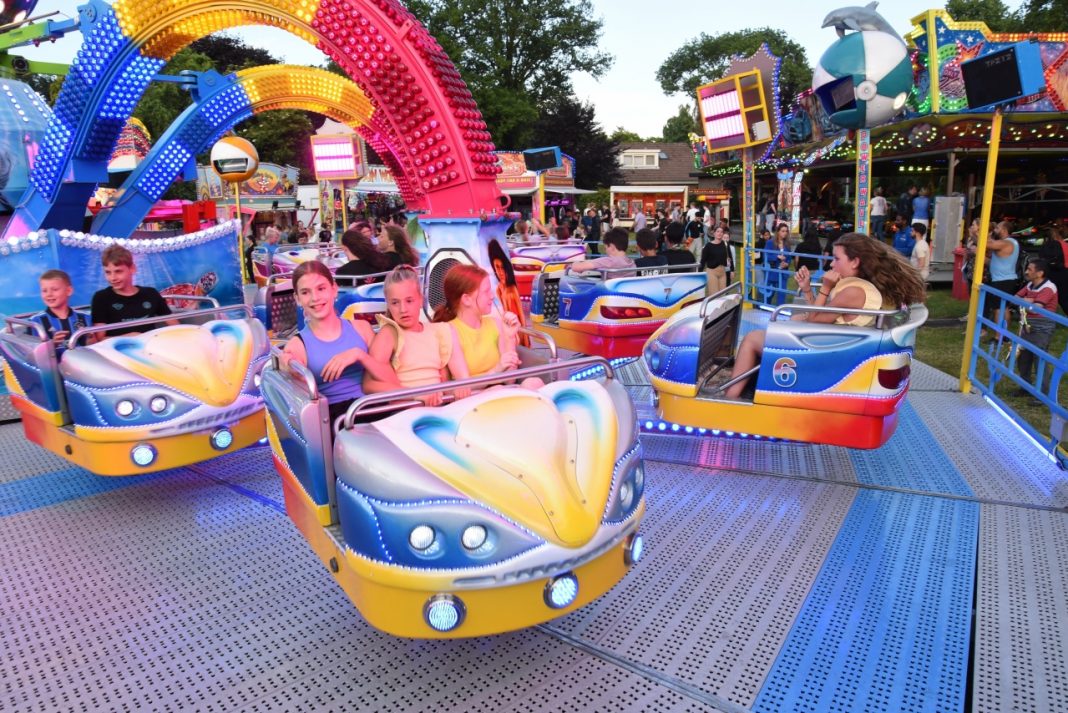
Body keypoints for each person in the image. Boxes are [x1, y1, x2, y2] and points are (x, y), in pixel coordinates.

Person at [725, 233, 926, 399]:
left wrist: (825, 288)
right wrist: (807, 291)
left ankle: (730, 396)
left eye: (837, 259)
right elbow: (821, 316)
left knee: (752, 339)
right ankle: (749, 382)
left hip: (828, 351)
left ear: (855, 261)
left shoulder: (854, 292)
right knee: (790, 322)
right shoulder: (860, 286)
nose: (832, 264)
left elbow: (813, 321)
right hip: (830, 341)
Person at [281, 261, 395, 423]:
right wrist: (291, 370)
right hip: (339, 417)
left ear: (334, 290)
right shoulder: (297, 345)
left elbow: (389, 378)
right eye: (305, 292)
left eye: (321, 289)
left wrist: (358, 355)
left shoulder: (362, 328)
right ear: (297, 299)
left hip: (376, 403)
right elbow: (302, 400)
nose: (315, 298)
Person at [363, 266, 469, 405]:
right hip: (407, 409)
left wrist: (456, 390)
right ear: (388, 304)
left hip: (439, 407)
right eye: (395, 303)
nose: (403, 309)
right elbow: (369, 385)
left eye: (409, 301)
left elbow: (444, 380)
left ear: (420, 299)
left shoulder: (437, 332)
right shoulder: (389, 333)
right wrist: (417, 395)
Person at [431, 264, 524, 380]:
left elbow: (510, 381)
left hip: (500, 391)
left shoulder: (496, 324)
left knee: (534, 382)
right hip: (475, 395)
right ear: (467, 299)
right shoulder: (450, 331)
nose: (492, 296)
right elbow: (464, 386)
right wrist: (496, 370)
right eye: (486, 292)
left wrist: (510, 338)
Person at [91, 245, 172, 338]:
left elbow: (174, 324)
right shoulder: (101, 298)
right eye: (108, 272)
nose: (112, 278)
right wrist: (131, 337)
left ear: (132, 269)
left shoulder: (151, 293)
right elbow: (99, 338)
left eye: (118, 271)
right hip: (116, 350)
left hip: (151, 346)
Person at [1013, 257, 1058, 397]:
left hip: (1042, 326)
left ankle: (1042, 393)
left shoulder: (1048, 287)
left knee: (1040, 359)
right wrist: (1030, 301)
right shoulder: (1030, 285)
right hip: (1027, 323)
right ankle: (1025, 386)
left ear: (1040, 273)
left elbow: (1036, 308)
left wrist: (1026, 301)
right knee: (1023, 357)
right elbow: (1014, 298)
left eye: (1030, 269)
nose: (1026, 272)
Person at [33, 269, 91, 350]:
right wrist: (52, 345)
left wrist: (90, 338)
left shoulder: (86, 317)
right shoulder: (35, 322)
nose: (49, 294)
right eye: (44, 291)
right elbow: (32, 354)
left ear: (69, 291)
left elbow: (94, 347)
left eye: (55, 289)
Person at [982, 220, 1021, 330]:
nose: (995, 230)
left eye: (997, 228)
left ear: (1004, 230)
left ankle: (1000, 336)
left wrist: (982, 232)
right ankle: (1001, 335)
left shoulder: (1007, 242)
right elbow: (993, 262)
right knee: (1000, 307)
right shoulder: (1005, 243)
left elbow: (986, 244)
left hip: (1004, 281)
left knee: (1000, 308)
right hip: (1000, 279)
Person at [570, 227, 636, 277]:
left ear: (612, 247)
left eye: (606, 248)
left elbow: (576, 267)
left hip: (608, 294)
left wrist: (574, 263)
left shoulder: (609, 261)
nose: (605, 251)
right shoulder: (632, 263)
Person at [1039, 224, 1068, 314]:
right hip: (1065, 273)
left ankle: (1043, 316)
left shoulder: (1046, 246)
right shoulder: (1065, 245)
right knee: (1064, 298)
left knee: (1046, 296)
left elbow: (1041, 259)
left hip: (1050, 273)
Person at [764, 223, 792, 306]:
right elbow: (766, 256)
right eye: (783, 231)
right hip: (773, 272)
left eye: (786, 231)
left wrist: (787, 263)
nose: (785, 233)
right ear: (778, 232)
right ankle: (766, 307)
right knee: (769, 293)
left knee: (782, 294)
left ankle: (780, 310)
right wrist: (777, 256)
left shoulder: (787, 244)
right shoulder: (770, 242)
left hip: (783, 273)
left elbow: (789, 257)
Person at [700, 225, 731, 294]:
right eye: (718, 231)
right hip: (712, 272)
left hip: (723, 272)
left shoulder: (725, 244)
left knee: (722, 295)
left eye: (721, 232)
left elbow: (730, 257)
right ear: (714, 233)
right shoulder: (708, 246)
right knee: (714, 295)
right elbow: (703, 261)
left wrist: (732, 270)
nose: (719, 233)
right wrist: (699, 273)